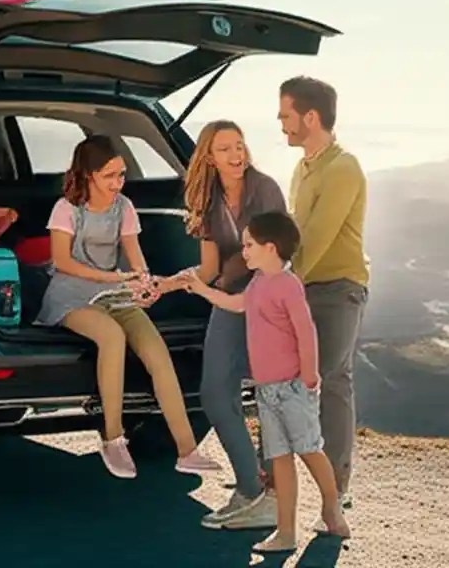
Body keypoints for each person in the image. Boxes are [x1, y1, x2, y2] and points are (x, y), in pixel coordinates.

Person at [34, 134, 222, 479]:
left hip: (115, 293)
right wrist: (110, 279)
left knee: (156, 351)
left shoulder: (124, 207)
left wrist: (143, 283)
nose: (118, 183)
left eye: (121, 174)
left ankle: (186, 449)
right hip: (72, 296)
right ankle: (114, 437)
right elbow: (61, 261)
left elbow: (136, 258)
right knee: (111, 337)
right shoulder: (66, 209)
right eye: (110, 176)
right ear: (89, 175)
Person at [180, 211, 351, 553]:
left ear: (270, 248)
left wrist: (309, 376)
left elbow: (306, 331)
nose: (243, 251)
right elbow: (236, 304)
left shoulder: (288, 285)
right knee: (279, 459)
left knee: (309, 450)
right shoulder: (257, 283)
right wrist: (200, 289)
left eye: (249, 245)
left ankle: (332, 507)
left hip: (293, 387)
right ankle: (286, 532)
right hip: (267, 390)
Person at [180, 120, 287, 530]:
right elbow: (207, 270)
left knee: (267, 399)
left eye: (240, 145)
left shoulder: (267, 189)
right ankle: (250, 486)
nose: (236, 154)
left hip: (266, 300)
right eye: (225, 148)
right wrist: (170, 285)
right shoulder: (209, 201)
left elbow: (280, 252)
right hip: (227, 301)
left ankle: (269, 498)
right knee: (215, 392)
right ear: (209, 156)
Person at [277, 76, 369, 506]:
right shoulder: (302, 168)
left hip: (337, 290)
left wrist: (280, 286)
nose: (280, 122)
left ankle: (336, 490)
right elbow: (296, 232)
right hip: (303, 286)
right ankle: (274, 480)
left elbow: (318, 238)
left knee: (331, 381)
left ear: (310, 118)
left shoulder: (343, 166)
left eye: (286, 114)